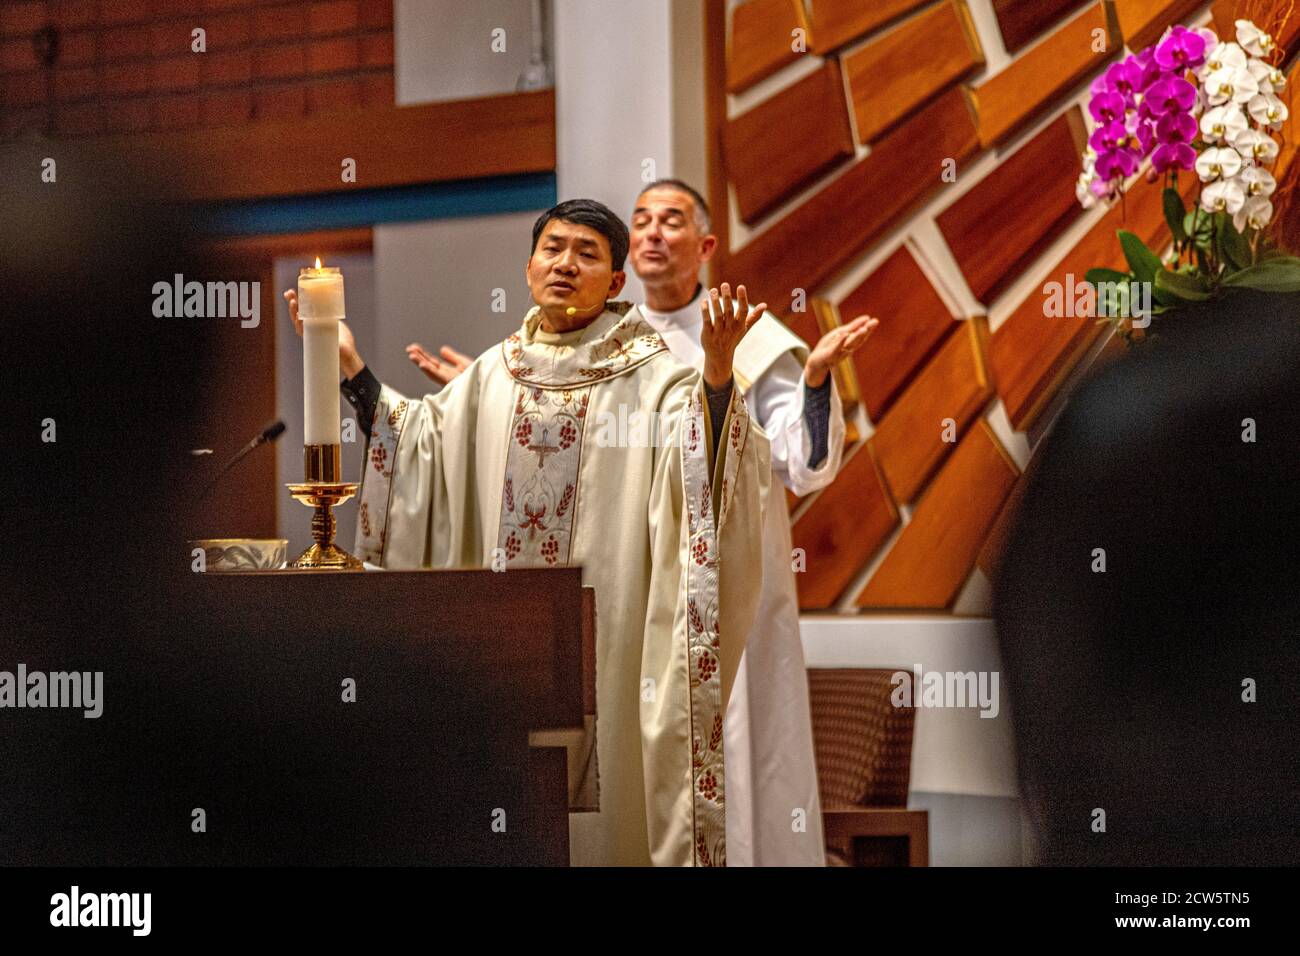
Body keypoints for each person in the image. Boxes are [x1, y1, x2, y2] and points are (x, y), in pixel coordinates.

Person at [286, 199, 771, 867]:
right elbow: (417, 447)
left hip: (612, 657)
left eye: (587, 254)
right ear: (529, 266)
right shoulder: (493, 375)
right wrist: (352, 369)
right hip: (504, 672)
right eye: (553, 248)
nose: (566, 264)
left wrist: (717, 373)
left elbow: (714, 464)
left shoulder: (656, 383)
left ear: (617, 282)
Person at [409, 180, 878, 866]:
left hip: (706, 601)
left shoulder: (749, 340)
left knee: (727, 757)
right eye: (643, 220)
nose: (656, 232)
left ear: (706, 245)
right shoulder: (590, 337)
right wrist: (488, 410)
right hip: (620, 595)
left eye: (673, 222)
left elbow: (802, 464)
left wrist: (809, 382)